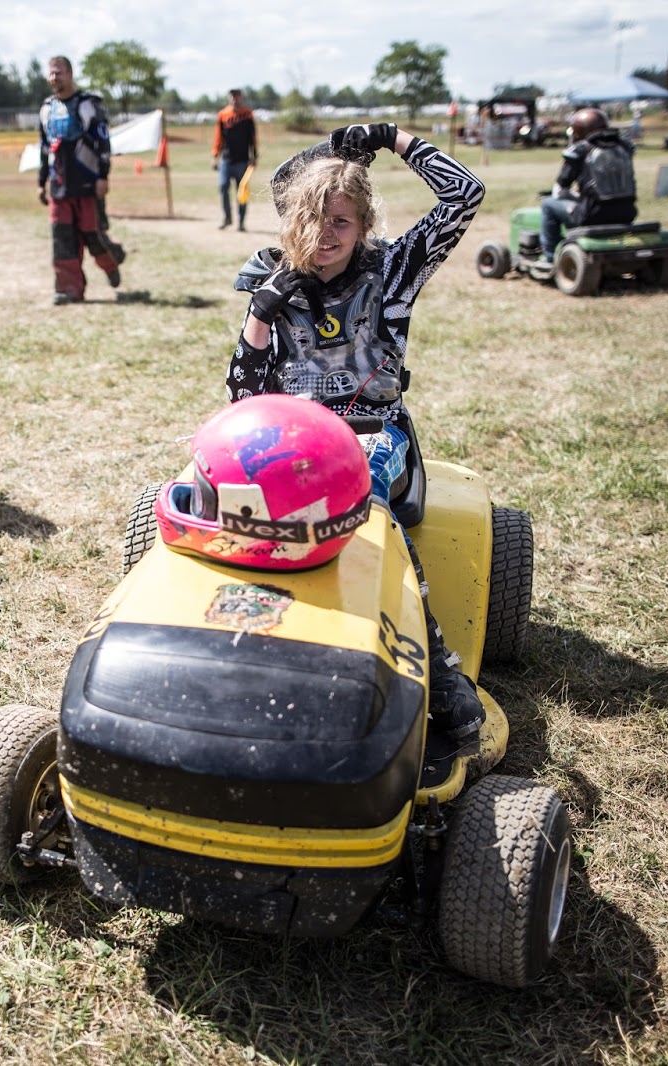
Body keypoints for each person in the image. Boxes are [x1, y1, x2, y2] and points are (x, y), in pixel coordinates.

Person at [224, 122, 488, 741]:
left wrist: (395, 139)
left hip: (372, 432)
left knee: (355, 489)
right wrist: (260, 315)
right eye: (312, 222)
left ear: (363, 225)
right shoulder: (272, 283)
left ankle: (438, 666)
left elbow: (465, 194)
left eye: (341, 222)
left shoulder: (393, 272)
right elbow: (243, 401)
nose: (324, 237)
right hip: (292, 432)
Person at [37, 55, 126, 304]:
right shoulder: (46, 109)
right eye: (51, 73)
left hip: (87, 184)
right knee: (62, 239)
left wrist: (103, 176)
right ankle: (68, 289)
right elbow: (44, 149)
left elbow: (103, 141)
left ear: (70, 74)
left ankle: (112, 258)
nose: (55, 78)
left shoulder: (89, 104)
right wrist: (41, 182)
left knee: (93, 236)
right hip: (59, 186)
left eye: (60, 72)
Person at [537, 107, 636, 264]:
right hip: (627, 213)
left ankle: (549, 257)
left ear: (578, 131)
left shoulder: (581, 149)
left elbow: (561, 189)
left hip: (592, 215)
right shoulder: (624, 146)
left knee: (548, 205)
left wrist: (574, 195)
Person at [212, 88, 259, 230]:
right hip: (226, 160)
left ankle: (241, 222)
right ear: (229, 98)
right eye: (232, 97)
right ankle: (227, 217)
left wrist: (254, 156)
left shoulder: (247, 114)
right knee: (223, 187)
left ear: (241, 97)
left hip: (243, 160)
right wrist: (215, 156)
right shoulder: (223, 115)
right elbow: (218, 137)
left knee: (242, 191)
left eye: (237, 96)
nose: (234, 99)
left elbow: (253, 137)